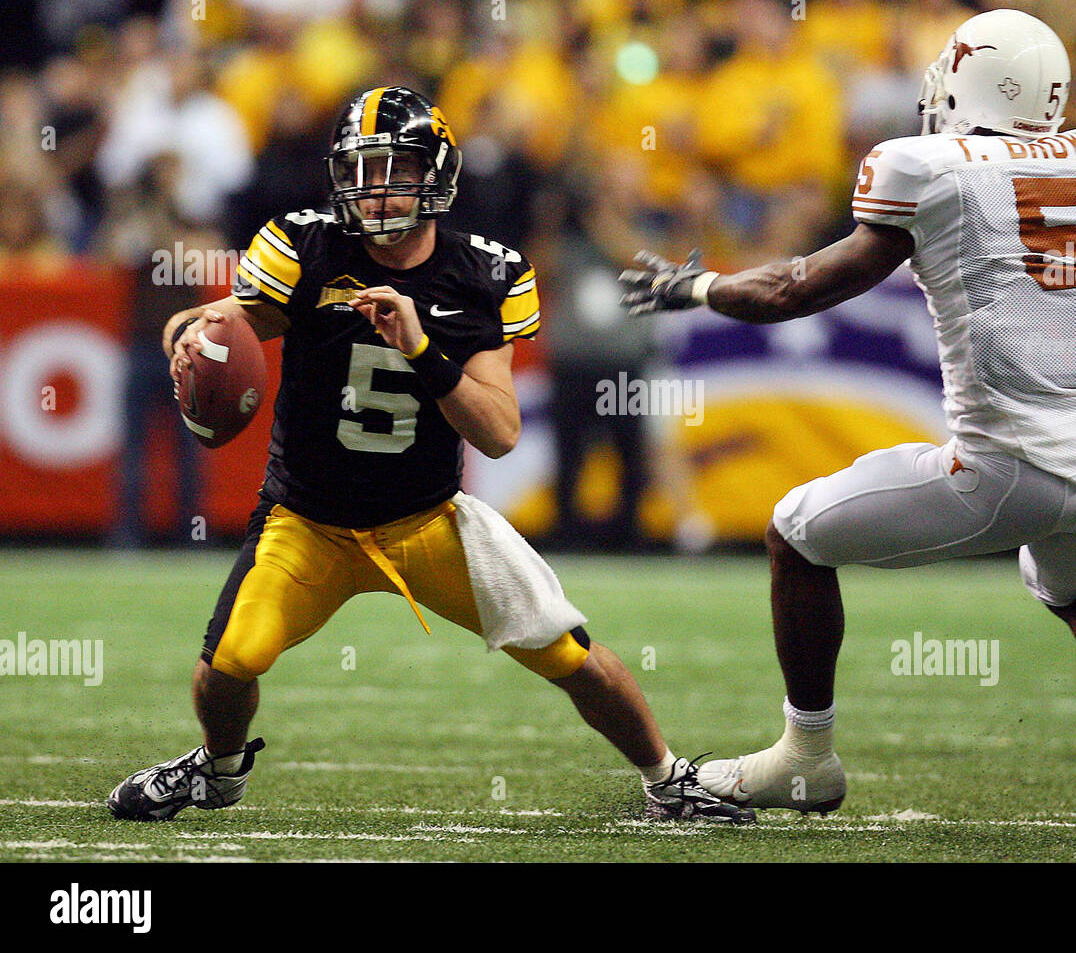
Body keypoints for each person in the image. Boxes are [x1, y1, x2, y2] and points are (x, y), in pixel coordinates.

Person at [622, 10, 1076, 844]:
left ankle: (806, 757)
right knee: (1074, 588)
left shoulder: (928, 167)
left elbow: (797, 289)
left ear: (975, 83)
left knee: (794, 534)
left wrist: (698, 287)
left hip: (1001, 468)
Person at [107, 86, 751, 825]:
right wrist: (185, 337)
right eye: (364, 172)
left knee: (570, 652)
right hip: (306, 518)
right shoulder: (305, 245)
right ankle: (218, 773)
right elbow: (224, 320)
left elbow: (500, 431)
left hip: (429, 521)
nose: (378, 192)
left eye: (397, 170)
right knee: (223, 670)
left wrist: (420, 348)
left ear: (438, 174)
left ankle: (668, 778)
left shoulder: (484, 272)